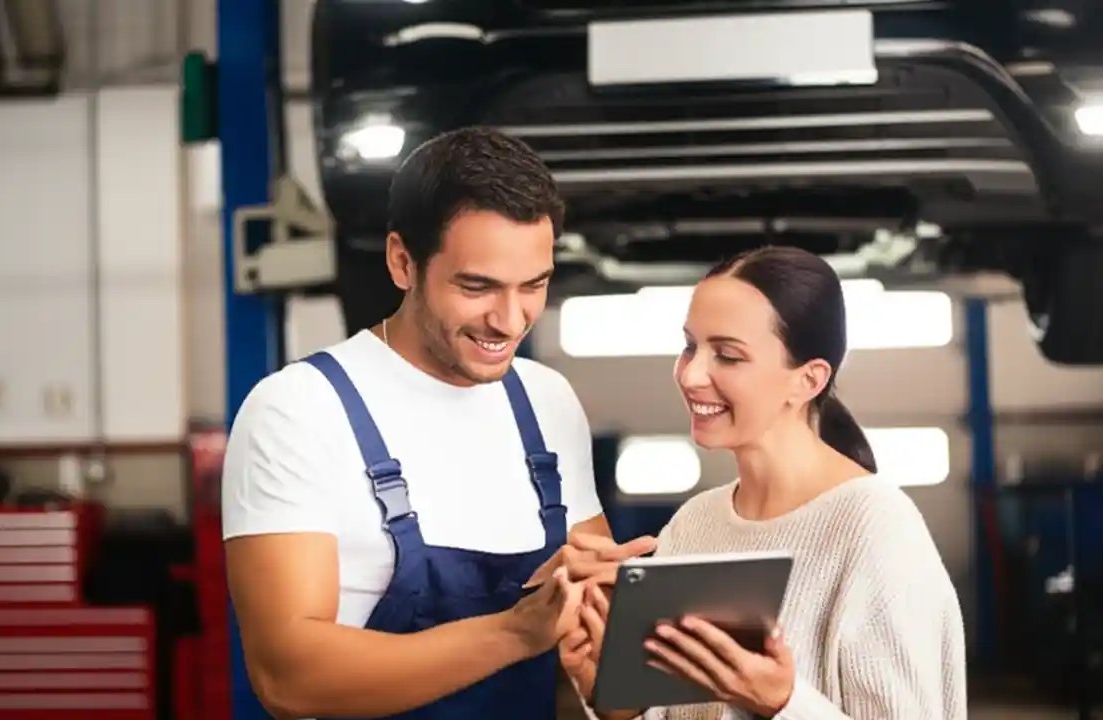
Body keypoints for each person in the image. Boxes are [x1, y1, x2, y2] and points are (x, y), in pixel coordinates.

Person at [220, 126, 654, 720]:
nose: (509, 320)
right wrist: (515, 632)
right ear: (403, 262)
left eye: (534, 285)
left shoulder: (545, 402)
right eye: (478, 287)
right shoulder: (299, 410)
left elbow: (600, 644)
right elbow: (287, 677)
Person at [560, 246, 967, 720]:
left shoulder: (876, 531)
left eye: (728, 355)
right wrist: (619, 705)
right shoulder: (694, 525)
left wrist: (781, 704)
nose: (691, 374)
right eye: (690, 346)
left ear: (808, 380)